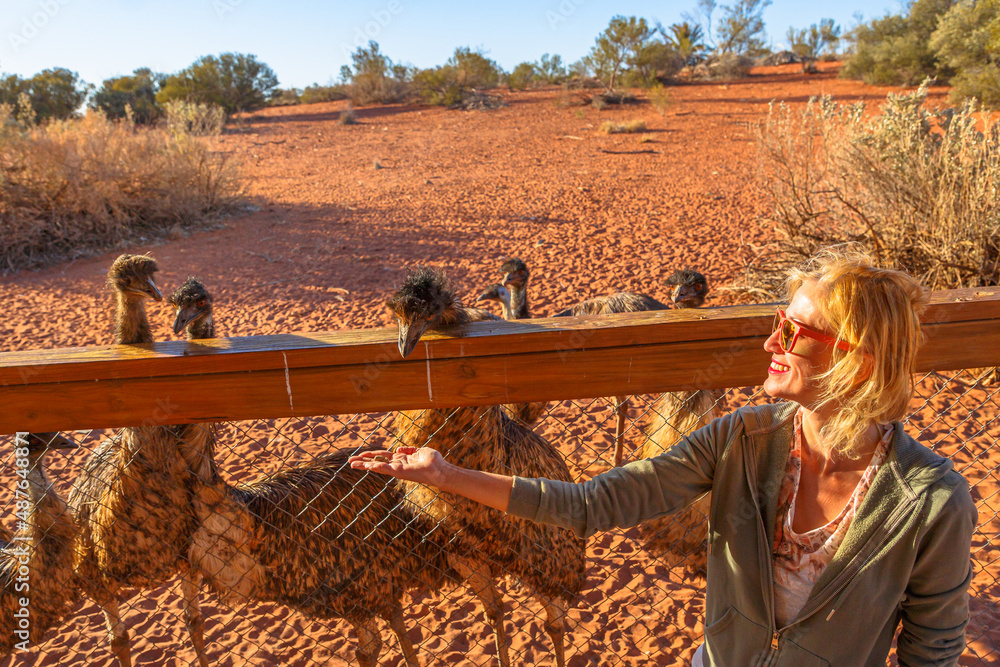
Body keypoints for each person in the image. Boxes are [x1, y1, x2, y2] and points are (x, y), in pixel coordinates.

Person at [350, 249, 976, 667]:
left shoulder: (930, 502)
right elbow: (596, 503)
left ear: (856, 359)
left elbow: (933, 648)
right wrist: (447, 475)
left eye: (792, 333)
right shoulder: (741, 439)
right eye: (775, 323)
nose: (769, 342)